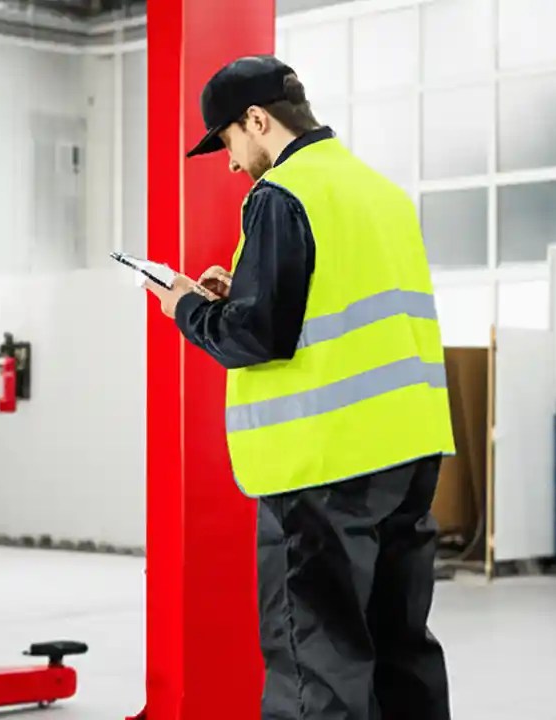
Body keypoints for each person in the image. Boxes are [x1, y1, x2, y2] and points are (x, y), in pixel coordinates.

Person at [144, 56, 457, 720]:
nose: (231, 163)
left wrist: (185, 307)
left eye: (228, 141)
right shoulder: (379, 192)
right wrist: (239, 297)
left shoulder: (284, 194)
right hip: (409, 451)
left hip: (325, 464)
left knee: (318, 659)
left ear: (256, 121)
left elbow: (257, 338)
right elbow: (325, 307)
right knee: (402, 648)